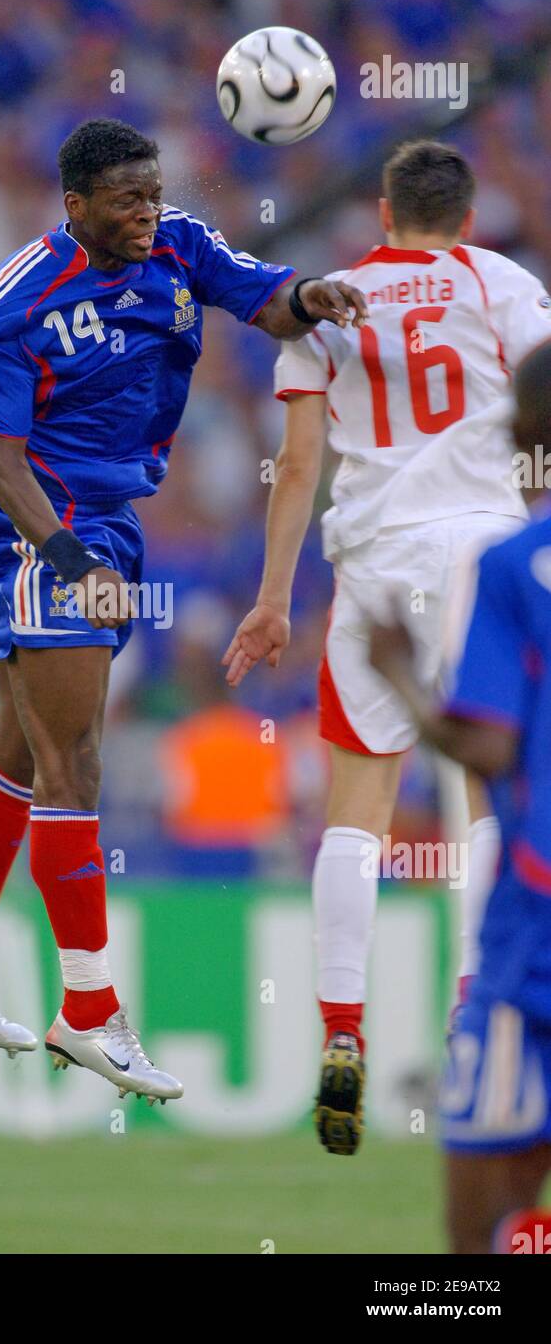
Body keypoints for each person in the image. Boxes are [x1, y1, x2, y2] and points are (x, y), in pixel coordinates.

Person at [0, 116, 366, 1103]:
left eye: (152, 191)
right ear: (75, 208)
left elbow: (265, 300)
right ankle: (89, 1010)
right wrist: (63, 558)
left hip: (108, 518)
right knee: (76, 762)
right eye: (125, 200)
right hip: (45, 524)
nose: (146, 212)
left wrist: (308, 294)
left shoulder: (180, 246)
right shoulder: (19, 305)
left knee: (21, 752)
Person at [222, 140, 551, 1152]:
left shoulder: (328, 298)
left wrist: (274, 596)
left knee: (355, 814)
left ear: (379, 210)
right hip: (482, 555)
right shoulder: (503, 285)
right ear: (463, 216)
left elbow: (298, 461)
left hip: (372, 566)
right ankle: (469, 1011)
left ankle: (339, 1033)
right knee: (481, 796)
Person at [368, 338, 551, 1253]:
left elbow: (485, 741)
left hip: (535, 933)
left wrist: (398, 675)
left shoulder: (518, 564)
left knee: (474, 1243)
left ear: (527, 433)